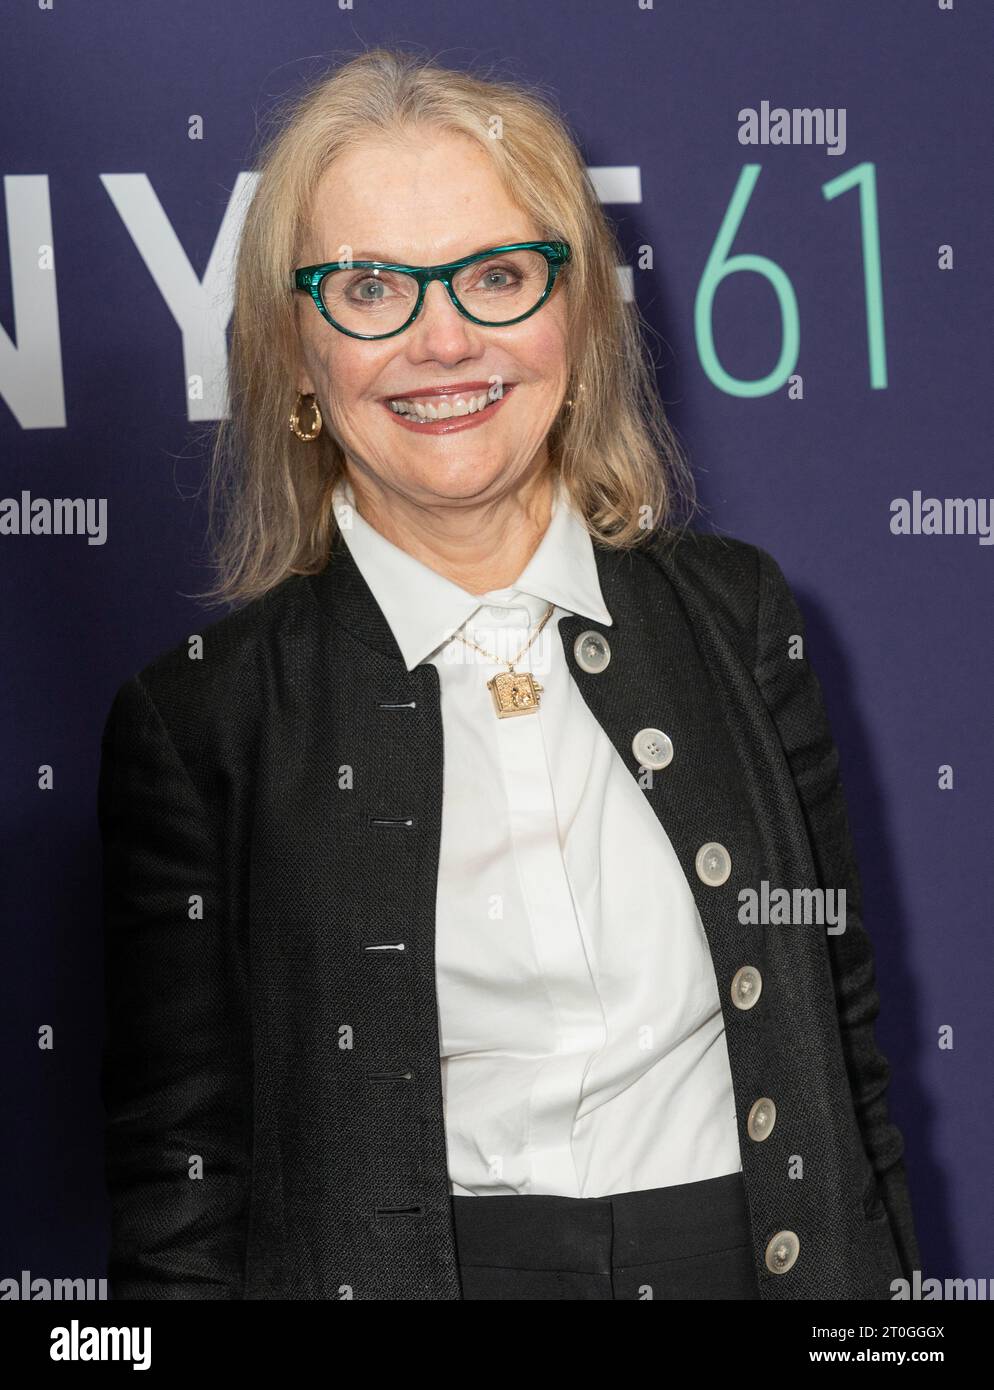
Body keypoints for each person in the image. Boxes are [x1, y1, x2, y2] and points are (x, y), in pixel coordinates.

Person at [98, 47, 921, 1300]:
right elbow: (184, 1184)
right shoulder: (202, 716)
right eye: (370, 287)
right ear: (296, 352)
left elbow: (841, 1058)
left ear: (575, 315)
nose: (442, 341)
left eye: (493, 275)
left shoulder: (741, 617)